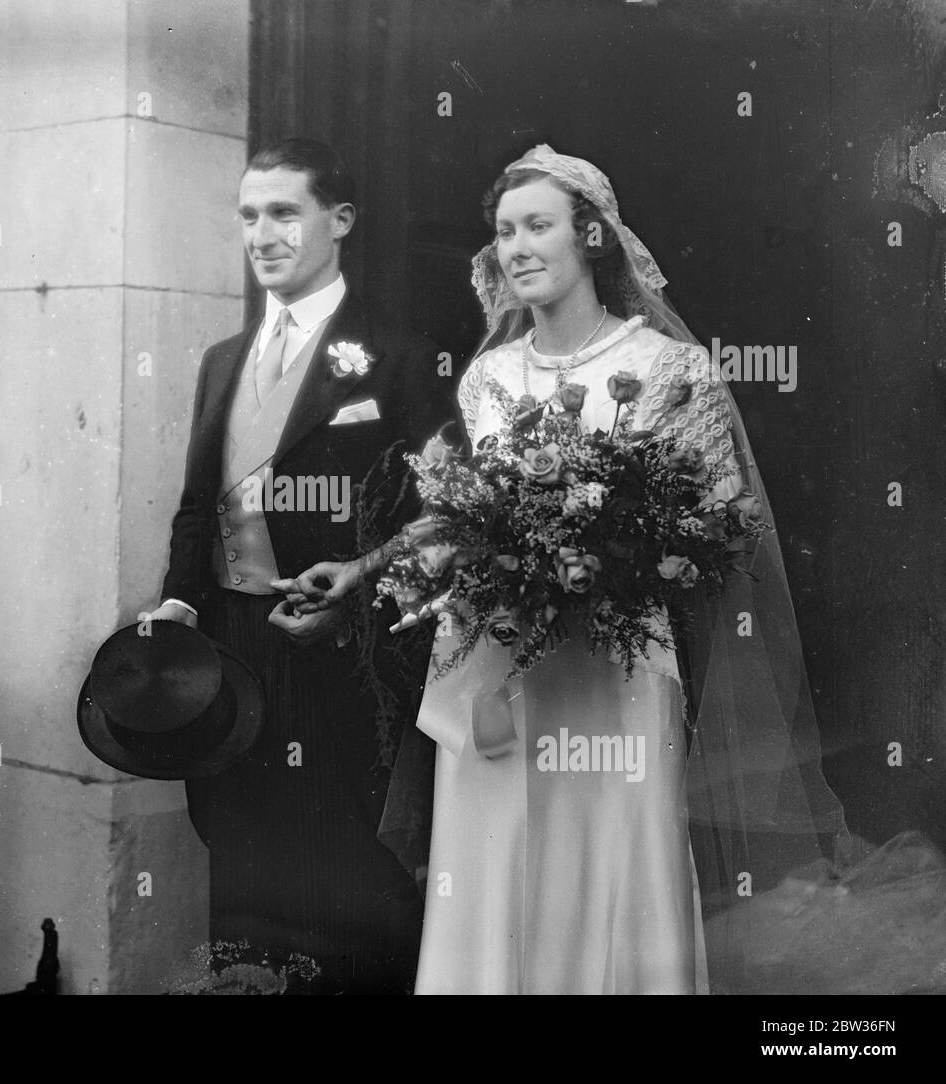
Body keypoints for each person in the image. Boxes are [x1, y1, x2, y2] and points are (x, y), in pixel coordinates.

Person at [286, 145, 847, 994]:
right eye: (504, 231)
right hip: (494, 667)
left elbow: (721, 527)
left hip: (615, 671)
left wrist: (612, 549)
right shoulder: (488, 378)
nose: (516, 247)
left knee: (612, 865)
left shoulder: (670, 370)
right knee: (496, 865)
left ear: (590, 235)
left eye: (536, 226)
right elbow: (463, 515)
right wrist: (368, 566)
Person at [148, 138, 459, 992]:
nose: (263, 233)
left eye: (285, 211)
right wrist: (178, 609)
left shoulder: (396, 356)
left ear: (340, 220)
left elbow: (447, 514)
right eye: (249, 214)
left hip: (339, 651)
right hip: (230, 649)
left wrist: (357, 600)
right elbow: (195, 504)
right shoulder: (221, 360)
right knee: (244, 869)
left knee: (346, 880)